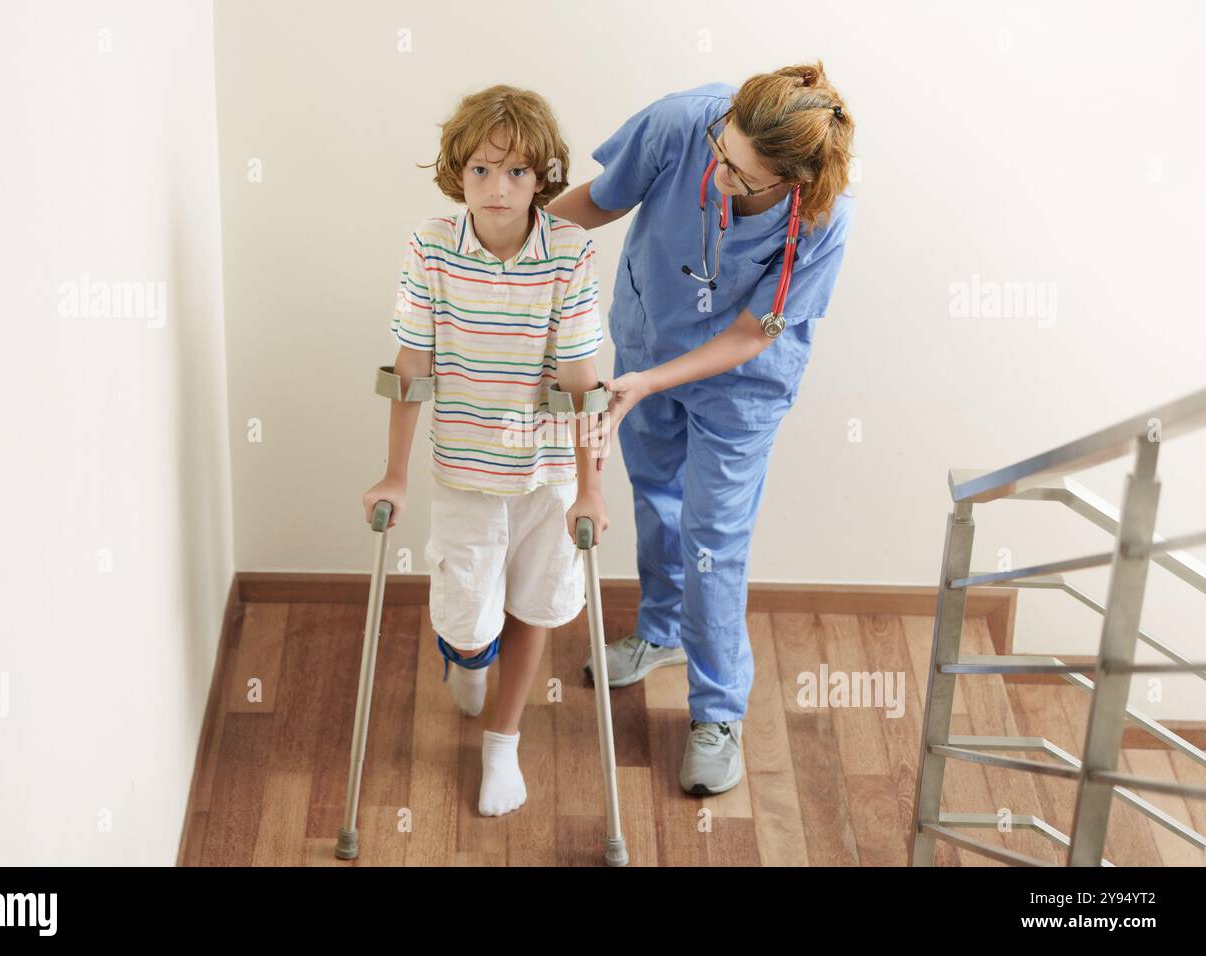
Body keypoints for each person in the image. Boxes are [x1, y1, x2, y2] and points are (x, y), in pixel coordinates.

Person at [546, 61, 855, 795]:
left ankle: (718, 712)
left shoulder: (821, 219)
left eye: (743, 177)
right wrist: (504, 243)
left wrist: (647, 381)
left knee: (714, 539)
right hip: (647, 337)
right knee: (655, 498)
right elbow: (600, 199)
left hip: (740, 387)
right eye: (723, 153)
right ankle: (659, 632)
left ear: (792, 180)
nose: (718, 175)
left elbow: (754, 333)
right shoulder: (685, 122)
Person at [363, 85, 610, 817]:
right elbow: (410, 369)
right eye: (479, 171)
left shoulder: (570, 255)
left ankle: (503, 743)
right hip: (465, 471)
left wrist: (592, 490)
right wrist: (393, 476)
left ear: (542, 178)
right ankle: (470, 660)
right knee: (468, 625)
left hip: (548, 476)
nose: (497, 189)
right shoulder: (432, 247)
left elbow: (581, 386)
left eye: (516, 172)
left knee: (534, 605)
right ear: (456, 175)